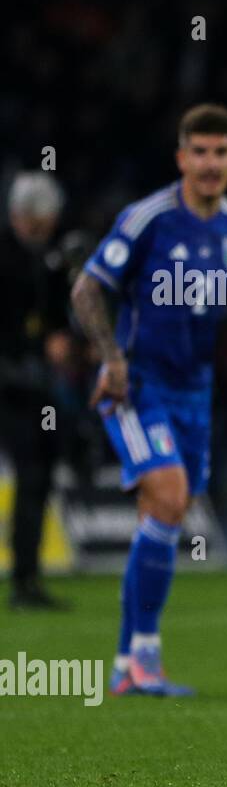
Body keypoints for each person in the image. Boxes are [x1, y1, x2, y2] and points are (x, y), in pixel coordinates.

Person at [71, 104, 227, 695]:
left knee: (162, 514)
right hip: (139, 384)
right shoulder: (149, 218)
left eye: (220, 152)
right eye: (199, 152)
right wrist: (112, 358)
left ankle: (128, 663)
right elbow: (87, 288)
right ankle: (143, 659)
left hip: (194, 390)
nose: (209, 163)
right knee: (169, 494)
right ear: (181, 157)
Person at [0, 172, 74, 610]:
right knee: (31, 470)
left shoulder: (47, 259)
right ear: (19, 216)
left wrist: (60, 336)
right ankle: (23, 578)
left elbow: (57, 315)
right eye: (36, 222)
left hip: (33, 380)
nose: (42, 230)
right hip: (10, 378)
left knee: (40, 471)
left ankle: (27, 578)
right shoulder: (7, 259)